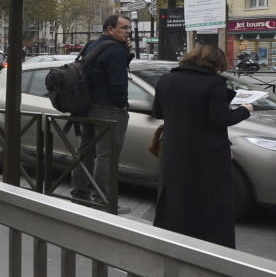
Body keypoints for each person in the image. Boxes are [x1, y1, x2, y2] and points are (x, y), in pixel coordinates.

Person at [152, 43, 253, 246]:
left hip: (174, 151)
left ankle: (173, 241)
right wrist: (245, 109)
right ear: (215, 63)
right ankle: (209, 247)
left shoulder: (167, 79)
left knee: (177, 198)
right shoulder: (213, 83)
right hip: (207, 156)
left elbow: (158, 112)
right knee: (209, 202)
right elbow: (220, 119)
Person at [70, 14, 135, 209]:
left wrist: (127, 54)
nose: (128, 31)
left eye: (129, 28)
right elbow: (117, 85)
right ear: (110, 29)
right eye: (124, 28)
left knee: (86, 151)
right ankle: (104, 199)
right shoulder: (115, 51)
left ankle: (80, 192)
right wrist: (122, 105)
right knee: (107, 155)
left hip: (87, 107)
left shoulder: (92, 45)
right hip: (108, 110)